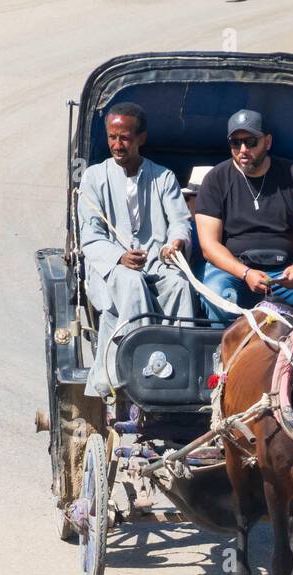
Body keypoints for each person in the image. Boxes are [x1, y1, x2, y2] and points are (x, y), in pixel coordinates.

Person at [78, 102, 195, 397]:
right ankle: (140, 369)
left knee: (179, 285)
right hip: (112, 268)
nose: (117, 145)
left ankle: (180, 369)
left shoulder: (163, 178)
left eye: (125, 138)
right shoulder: (93, 177)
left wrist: (176, 242)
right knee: (132, 282)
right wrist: (119, 256)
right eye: (112, 138)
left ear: (140, 138)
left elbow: (180, 222)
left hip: (158, 263)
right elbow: (90, 234)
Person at [193, 109, 293, 323]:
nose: (243, 149)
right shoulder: (215, 180)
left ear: (267, 142)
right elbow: (209, 245)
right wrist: (245, 273)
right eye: (236, 143)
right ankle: (222, 354)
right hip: (234, 272)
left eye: (250, 141)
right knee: (217, 294)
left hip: (286, 272)